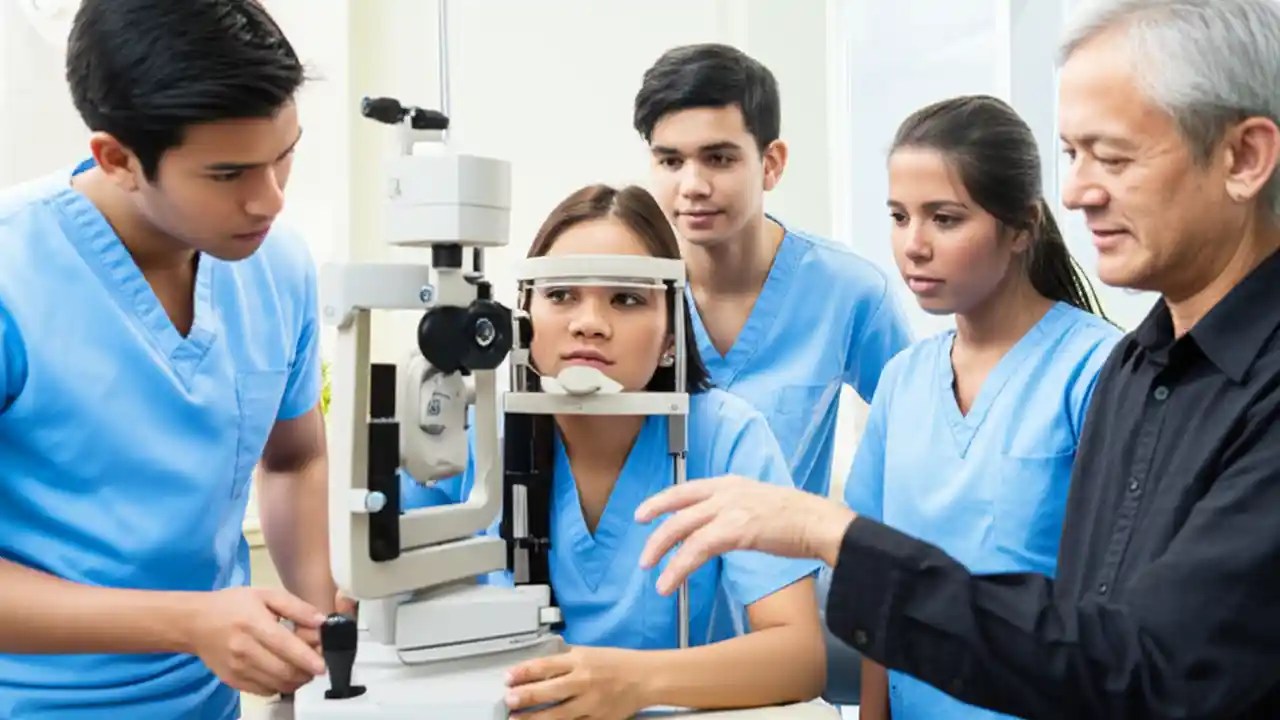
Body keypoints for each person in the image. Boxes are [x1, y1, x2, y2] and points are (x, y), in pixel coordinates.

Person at [634, 0, 1280, 717]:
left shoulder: (1105, 372)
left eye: (1115, 156)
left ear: (1244, 158)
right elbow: (1090, 640)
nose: (1076, 192)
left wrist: (828, 532)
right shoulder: (1140, 372)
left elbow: (1143, 666)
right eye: (1071, 155)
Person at [0, 1, 347, 718]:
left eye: (284, 155)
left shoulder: (277, 266)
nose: (270, 200)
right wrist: (191, 623)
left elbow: (291, 458)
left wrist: (316, 611)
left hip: (203, 702)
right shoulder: (13, 276)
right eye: (228, 175)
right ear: (117, 159)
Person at [400, 184, 826, 720]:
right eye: (561, 295)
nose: (589, 322)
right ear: (522, 318)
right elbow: (388, 598)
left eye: (626, 298)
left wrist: (635, 683)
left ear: (672, 330)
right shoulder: (471, 433)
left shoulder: (726, 436)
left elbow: (799, 657)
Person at [845, 95, 1121, 720]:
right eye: (898, 216)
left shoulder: (1097, 372)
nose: (912, 246)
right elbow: (874, 579)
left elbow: (1117, 611)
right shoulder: (902, 380)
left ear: (1022, 226)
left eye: (944, 219)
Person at [632, 43, 913, 499]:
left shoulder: (848, 291)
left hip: (788, 568)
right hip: (651, 567)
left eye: (719, 159)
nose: (692, 186)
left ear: (772, 163)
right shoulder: (624, 291)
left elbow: (922, 433)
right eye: (671, 161)